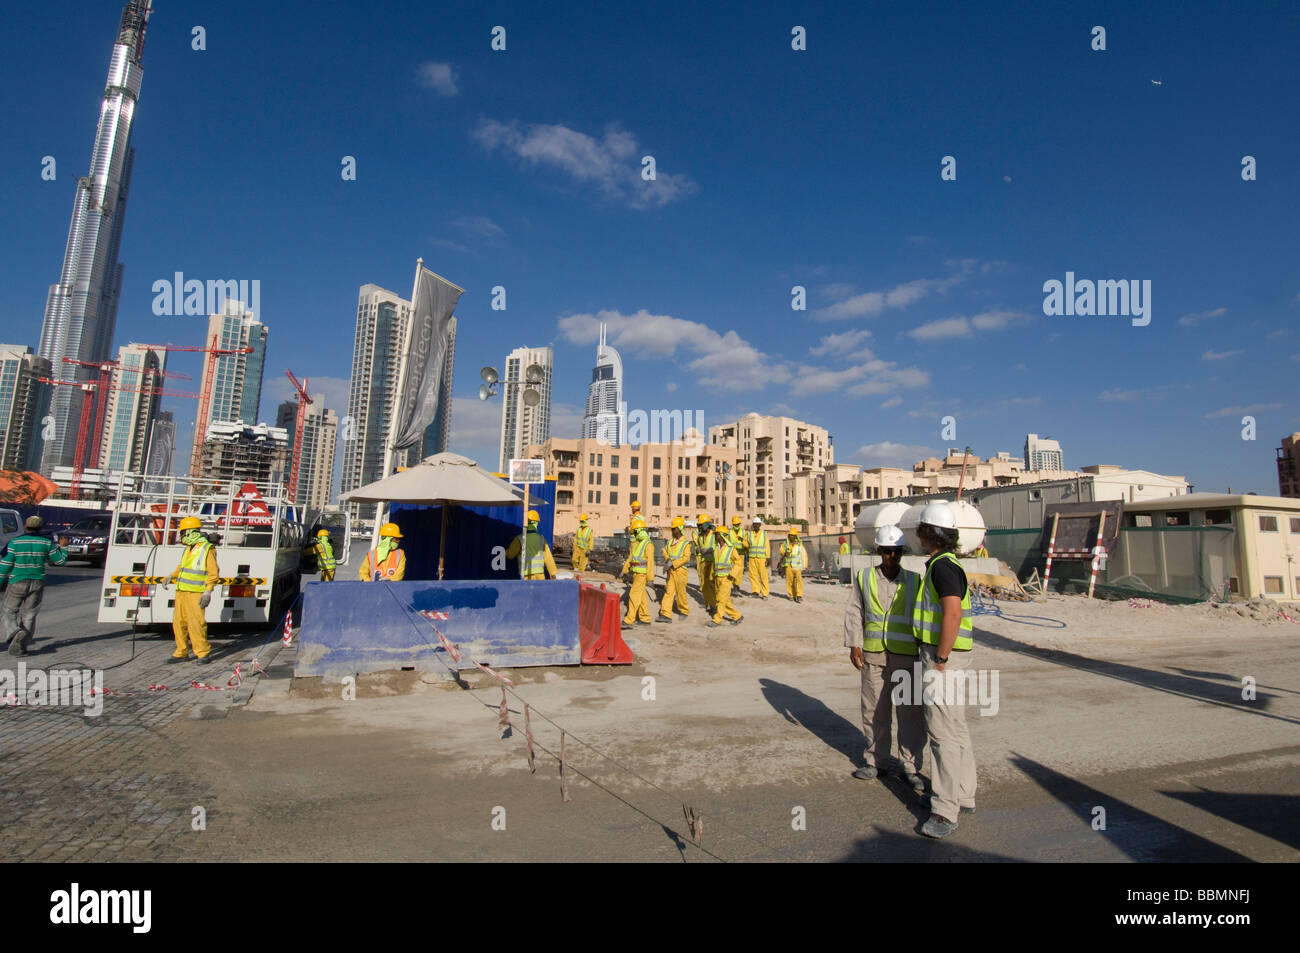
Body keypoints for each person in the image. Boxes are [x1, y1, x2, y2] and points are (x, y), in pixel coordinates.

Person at [844, 525, 925, 794]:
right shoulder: (864, 577)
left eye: (897, 552)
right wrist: (854, 643)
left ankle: (910, 766)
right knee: (874, 710)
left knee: (910, 713)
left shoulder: (915, 580)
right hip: (874, 653)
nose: (892, 556)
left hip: (907, 656)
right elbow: (855, 611)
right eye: (888, 551)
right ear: (879, 551)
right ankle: (875, 760)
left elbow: (924, 616)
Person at [912, 502, 976, 839]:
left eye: (921, 530)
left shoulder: (942, 568)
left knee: (942, 734)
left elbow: (952, 613)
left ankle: (944, 810)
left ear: (928, 533)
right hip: (951, 659)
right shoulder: (946, 564)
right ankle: (963, 793)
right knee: (956, 728)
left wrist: (940, 657)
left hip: (943, 662)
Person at [0, 516, 68, 657]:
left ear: (25, 526)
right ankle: (21, 646)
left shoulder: (15, 542)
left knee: (9, 611)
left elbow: (5, 566)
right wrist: (64, 547)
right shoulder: (46, 543)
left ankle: (15, 631)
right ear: (41, 528)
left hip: (17, 581)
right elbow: (60, 561)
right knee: (30, 614)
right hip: (37, 582)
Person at [163, 515, 219, 663]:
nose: (181, 535)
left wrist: (208, 591)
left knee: (196, 624)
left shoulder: (207, 548)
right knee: (179, 623)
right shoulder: (189, 548)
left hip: (196, 593)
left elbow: (213, 572)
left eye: (182, 532)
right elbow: (183, 567)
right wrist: (171, 576)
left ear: (190, 532)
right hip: (181, 591)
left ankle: (202, 653)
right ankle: (181, 652)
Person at [707, 524, 743, 628]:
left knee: (720, 599)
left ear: (722, 536)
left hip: (727, 578)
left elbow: (738, 563)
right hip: (718, 578)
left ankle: (717, 619)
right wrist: (711, 577)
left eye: (716, 534)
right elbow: (715, 565)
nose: (715, 536)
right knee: (725, 601)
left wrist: (732, 575)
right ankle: (737, 616)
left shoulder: (731, 549)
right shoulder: (715, 548)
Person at [621, 517, 654, 626]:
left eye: (635, 532)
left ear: (639, 531)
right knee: (642, 596)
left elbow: (650, 563)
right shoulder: (638, 544)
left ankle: (629, 620)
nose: (633, 534)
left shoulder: (648, 545)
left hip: (642, 575)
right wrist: (624, 569)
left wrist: (650, 578)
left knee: (634, 595)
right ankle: (645, 618)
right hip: (636, 573)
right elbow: (631, 557)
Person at [506, 510, 558, 580]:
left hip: (525, 575)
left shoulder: (520, 539)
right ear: (536, 523)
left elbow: (510, 555)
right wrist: (552, 573)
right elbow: (548, 558)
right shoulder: (541, 539)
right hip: (540, 575)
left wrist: (505, 550)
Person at [658, 517, 691, 621]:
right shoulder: (670, 541)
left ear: (680, 528)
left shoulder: (685, 543)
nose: (672, 530)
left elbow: (686, 557)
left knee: (681, 593)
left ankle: (684, 611)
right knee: (669, 591)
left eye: (674, 528)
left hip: (681, 571)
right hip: (671, 571)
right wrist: (668, 561)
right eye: (672, 528)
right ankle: (665, 614)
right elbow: (665, 552)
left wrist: (674, 563)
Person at [694, 513, 717, 614]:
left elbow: (717, 548)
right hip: (704, 563)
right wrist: (698, 550)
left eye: (700, 525)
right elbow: (699, 547)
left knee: (712, 585)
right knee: (704, 585)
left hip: (712, 563)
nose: (699, 527)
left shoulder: (714, 535)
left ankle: (714, 605)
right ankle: (707, 603)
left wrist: (707, 550)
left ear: (706, 525)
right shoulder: (700, 536)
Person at [745, 517, 770, 599]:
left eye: (757, 524)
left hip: (761, 558)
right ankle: (755, 591)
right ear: (753, 525)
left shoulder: (764, 534)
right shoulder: (749, 534)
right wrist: (743, 542)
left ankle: (765, 593)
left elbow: (767, 546)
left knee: (763, 576)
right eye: (754, 524)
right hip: (752, 558)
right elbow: (746, 544)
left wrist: (768, 557)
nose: (755, 526)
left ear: (760, 525)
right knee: (753, 576)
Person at [779, 528, 806, 602]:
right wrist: (785, 553)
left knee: (798, 581)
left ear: (796, 536)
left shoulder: (800, 544)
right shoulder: (785, 544)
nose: (791, 537)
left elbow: (804, 555)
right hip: (788, 566)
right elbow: (781, 552)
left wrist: (805, 565)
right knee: (789, 581)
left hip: (797, 566)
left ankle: (799, 595)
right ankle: (791, 595)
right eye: (790, 535)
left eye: (793, 535)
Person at [727, 515, 746, 595]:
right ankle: (733, 586)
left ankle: (737, 586)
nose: (736, 526)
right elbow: (727, 542)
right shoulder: (729, 532)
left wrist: (742, 541)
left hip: (741, 554)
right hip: (732, 555)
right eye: (735, 525)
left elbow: (747, 543)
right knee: (732, 570)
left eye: (737, 524)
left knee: (739, 571)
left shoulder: (744, 532)